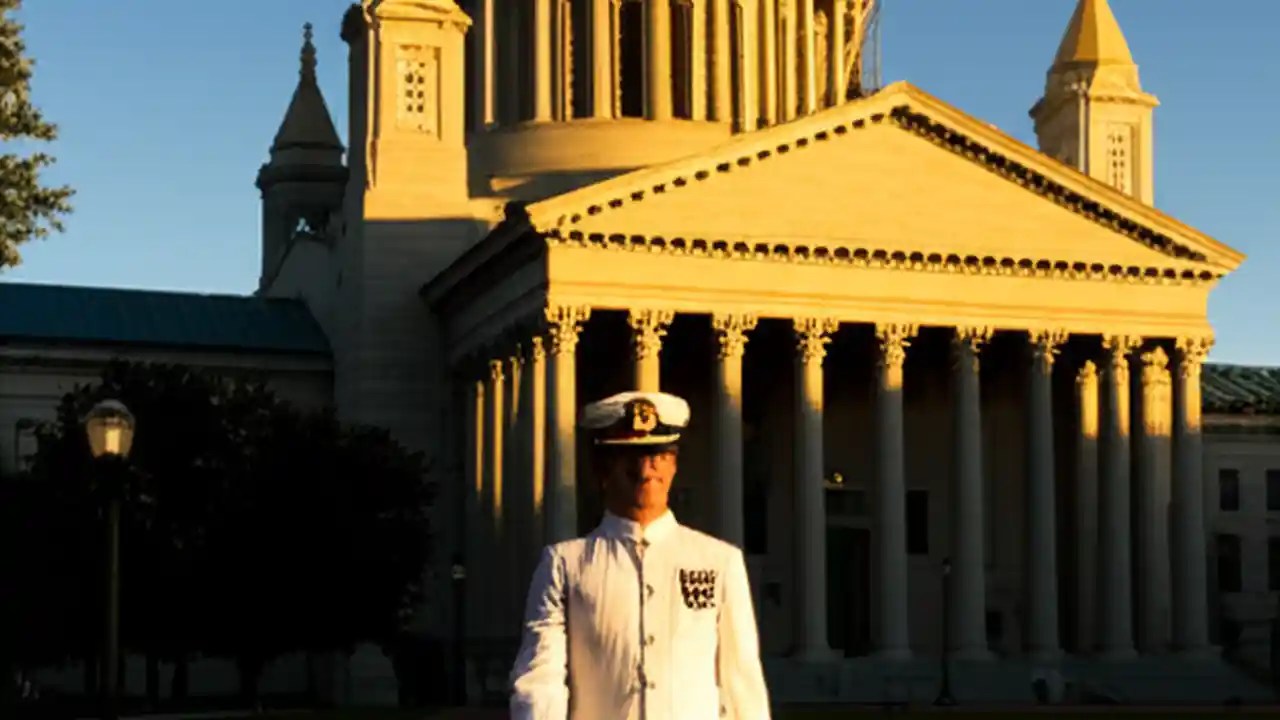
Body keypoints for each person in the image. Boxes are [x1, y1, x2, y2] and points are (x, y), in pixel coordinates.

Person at [509, 391, 771, 720]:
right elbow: (541, 677)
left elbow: (741, 684)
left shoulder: (719, 562)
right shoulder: (565, 565)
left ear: (674, 464)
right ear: (602, 470)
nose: (645, 469)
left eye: (657, 454)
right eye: (628, 456)